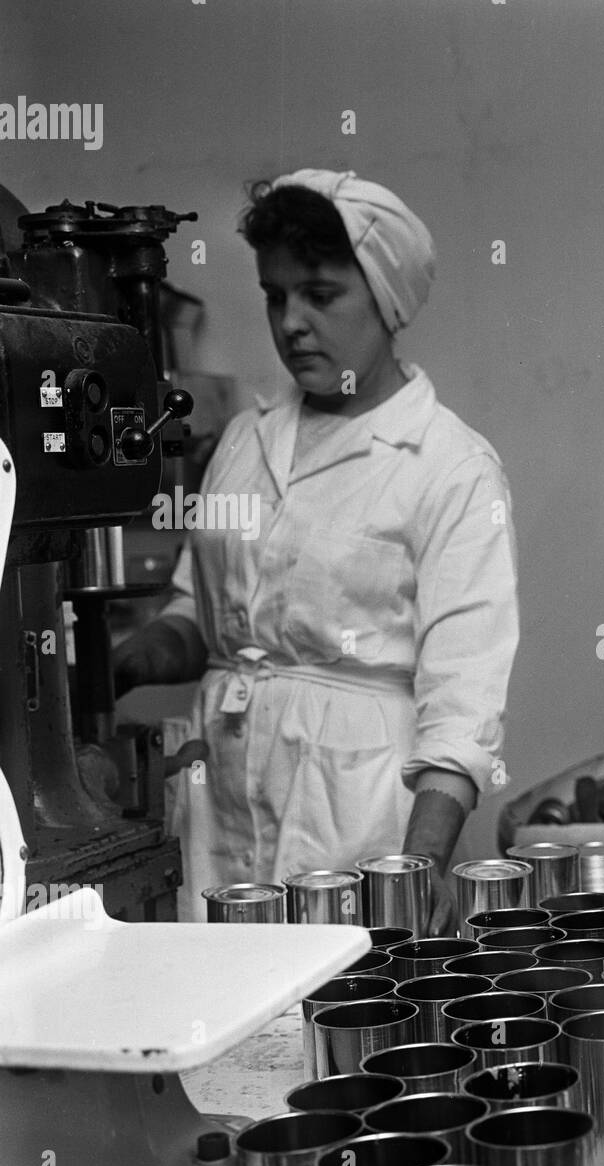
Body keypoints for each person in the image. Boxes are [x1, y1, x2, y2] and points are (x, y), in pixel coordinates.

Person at [115, 169, 519, 931]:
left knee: (338, 1020)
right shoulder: (245, 440)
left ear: (387, 298)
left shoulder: (450, 466)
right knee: (215, 1012)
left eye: (320, 295)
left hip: (360, 816)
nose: (292, 322)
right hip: (224, 795)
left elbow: (463, 703)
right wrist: (119, 665)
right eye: (276, 295)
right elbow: (198, 613)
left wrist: (422, 862)